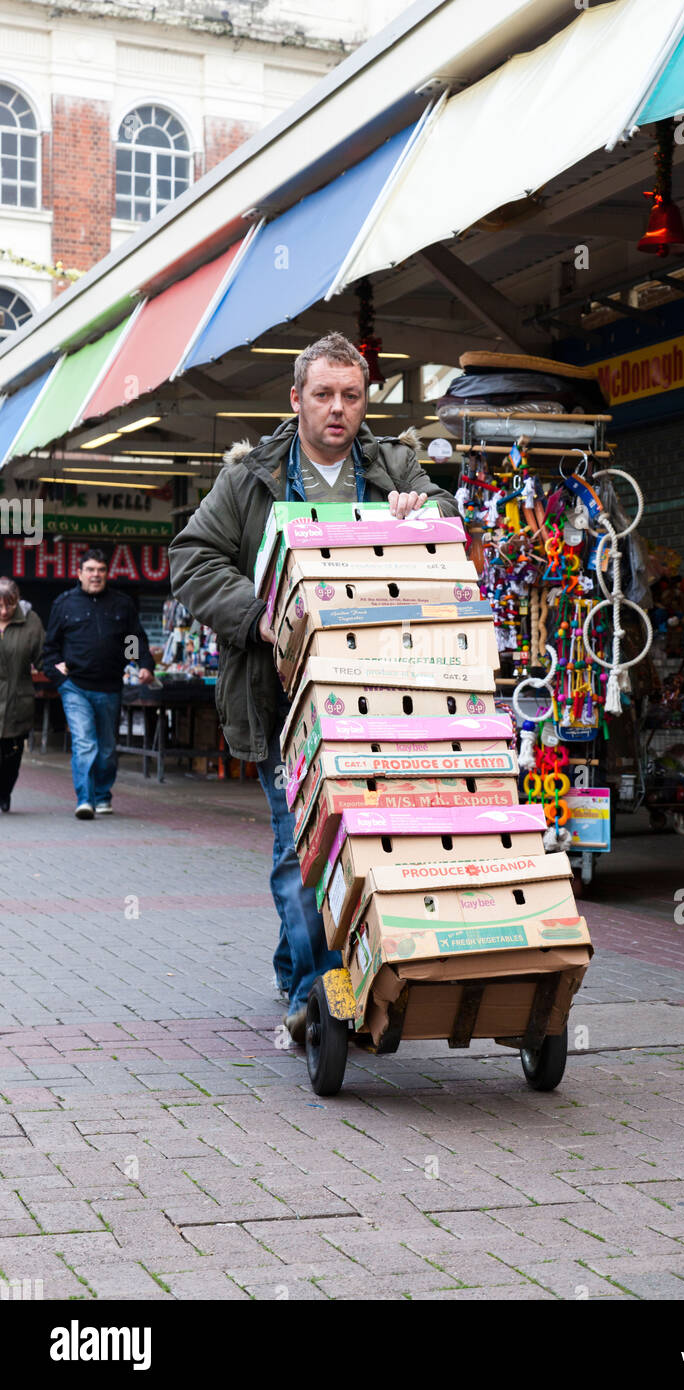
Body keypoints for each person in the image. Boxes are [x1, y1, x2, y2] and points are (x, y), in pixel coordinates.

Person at [170, 331, 458, 1043]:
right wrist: (257, 614)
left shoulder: (392, 466)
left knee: (367, 844)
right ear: (295, 398)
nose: (337, 409)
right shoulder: (250, 480)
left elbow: (448, 518)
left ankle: (300, 961)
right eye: (323, 395)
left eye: (351, 396)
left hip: (380, 697)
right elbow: (191, 557)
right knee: (300, 849)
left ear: (366, 402)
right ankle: (316, 997)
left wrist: (419, 514)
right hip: (283, 700)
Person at [43, 548, 155, 819]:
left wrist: (142, 665)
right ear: (79, 573)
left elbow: (133, 640)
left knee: (106, 749)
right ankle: (85, 799)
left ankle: (103, 795)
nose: (96, 575)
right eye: (90, 570)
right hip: (75, 687)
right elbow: (51, 647)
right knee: (85, 743)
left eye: (101, 570)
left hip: (110, 687)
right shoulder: (64, 604)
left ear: (107, 573)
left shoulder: (122, 604)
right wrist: (58, 671)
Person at [0, 577, 44, 812]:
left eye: (10, 605)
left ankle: (5, 791)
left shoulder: (30, 621)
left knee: (11, 756)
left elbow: (42, 656)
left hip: (18, 700)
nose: (5, 611)